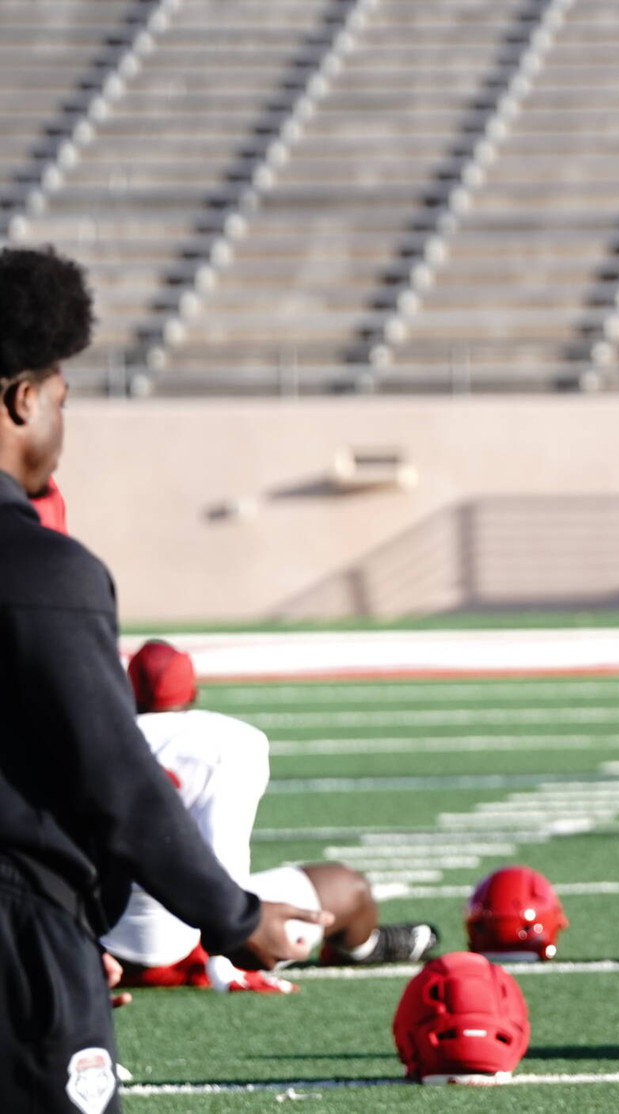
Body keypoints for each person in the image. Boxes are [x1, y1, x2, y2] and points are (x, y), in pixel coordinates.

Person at [0, 245, 322, 1111]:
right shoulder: (40, 572)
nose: (61, 436)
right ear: (21, 397)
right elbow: (114, 778)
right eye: (60, 403)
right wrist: (234, 915)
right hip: (20, 947)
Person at [100, 640, 440, 992]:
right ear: (194, 694)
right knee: (350, 888)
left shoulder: (92, 734)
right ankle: (362, 948)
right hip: (206, 935)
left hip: (95, 941)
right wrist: (233, 932)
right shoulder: (232, 740)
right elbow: (225, 860)